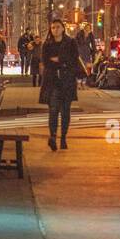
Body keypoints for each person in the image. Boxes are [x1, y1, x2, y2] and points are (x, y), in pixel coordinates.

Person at [39, 19, 86, 151]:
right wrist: (62, 61)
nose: (55, 30)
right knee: (53, 110)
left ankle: (63, 137)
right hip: (52, 81)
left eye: (58, 27)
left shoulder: (71, 42)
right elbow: (46, 61)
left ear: (63, 28)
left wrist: (59, 59)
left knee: (65, 111)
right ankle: (53, 136)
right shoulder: (47, 44)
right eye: (53, 27)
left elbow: (74, 59)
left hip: (67, 81)